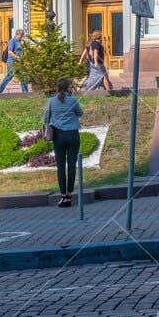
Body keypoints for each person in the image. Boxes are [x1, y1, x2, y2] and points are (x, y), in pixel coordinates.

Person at [42, 77, 84, 206]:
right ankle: (70, 195)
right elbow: (80, 113)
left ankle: (63, 196)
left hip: (58, 136)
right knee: (72, 165)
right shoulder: (73, 100)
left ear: (57, 88)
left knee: (60, 166)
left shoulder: (51, 101)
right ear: (68, 88)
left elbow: (45, 118)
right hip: (73, 135)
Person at [0, 26, 28, 94]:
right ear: (17, 34)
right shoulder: (12, 41)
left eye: (23, 36)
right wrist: (18, 58)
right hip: (12, 62)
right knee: (9, 77)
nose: (22, 37)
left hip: (19, 63)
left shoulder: (20, 42)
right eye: (21, 36)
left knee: (23, 76)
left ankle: (25, 93)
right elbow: (10, 52)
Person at [81, 31, 113, 95]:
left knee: (97, 76)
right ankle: (109, 91)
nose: (102, 38)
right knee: (104, 76)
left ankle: (104, 89)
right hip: (98, 63)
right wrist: (95, 62)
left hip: (94, 63)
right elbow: (95, 53)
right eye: (101, 37)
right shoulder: (96, 44)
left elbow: (90, 53)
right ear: (99, 37)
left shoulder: (93, 43)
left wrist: (92, 60)